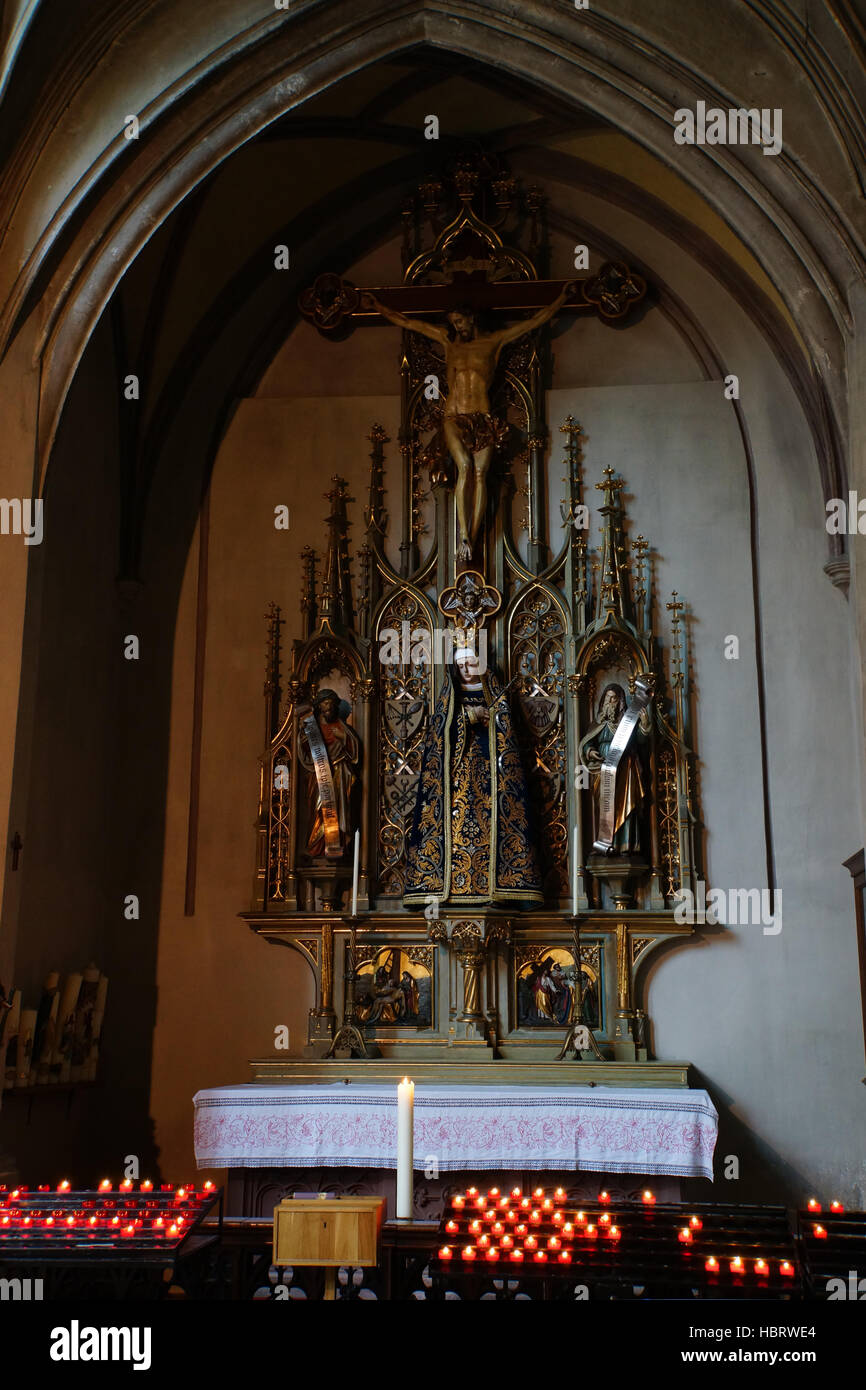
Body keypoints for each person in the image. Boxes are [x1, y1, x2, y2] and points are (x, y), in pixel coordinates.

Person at [364, 286, 575, 561]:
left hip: (483, 417)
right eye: (453, 323)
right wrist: (377, 306)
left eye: (460, 321)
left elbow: (534, 321)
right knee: (463, 465)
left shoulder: (494, 342)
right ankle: (464, 533)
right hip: (453, 417)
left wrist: (563, 297)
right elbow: (408, 322)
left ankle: (471, 538)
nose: (456, 326)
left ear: (472, 318)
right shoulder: (448, 342)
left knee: (480, 474)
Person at [403, 634, 543, 907]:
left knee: (493, 828)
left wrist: (493, 721)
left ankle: (496, 889)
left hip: (491, 783)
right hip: (454, 785)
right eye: (462, 665)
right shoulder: (449, 698)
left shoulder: (496, 696)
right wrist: (467, 717)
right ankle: (449, 889)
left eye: (471, 663)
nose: (467, 670)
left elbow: (508, 742)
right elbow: (437, 739)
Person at [579, 682, 650, 854]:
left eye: (614, 699)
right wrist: (591, 753)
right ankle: (604, 844)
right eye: (608, 698)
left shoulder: (627, 724)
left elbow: (640, 742)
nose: (610, 702)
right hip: (603, 770)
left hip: (626, 771)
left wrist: (644, 725)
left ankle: (625, 845)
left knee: (624, 808)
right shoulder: (597, 724)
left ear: (620, 703)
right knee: (604, 807)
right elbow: (587, 743)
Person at [298, 688, 360, 858]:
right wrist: (304, 740)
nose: (329, 707)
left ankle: (335, 845)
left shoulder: (341, 727)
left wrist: (343, 738)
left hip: (340, 774)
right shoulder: (312, 727)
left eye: (331, 704)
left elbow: (354, 751)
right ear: (319, 706)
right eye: (325, 704)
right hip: (319, 776)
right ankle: (317, 846)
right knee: (319, 809)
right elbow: (303, 750)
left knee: (338, 810)